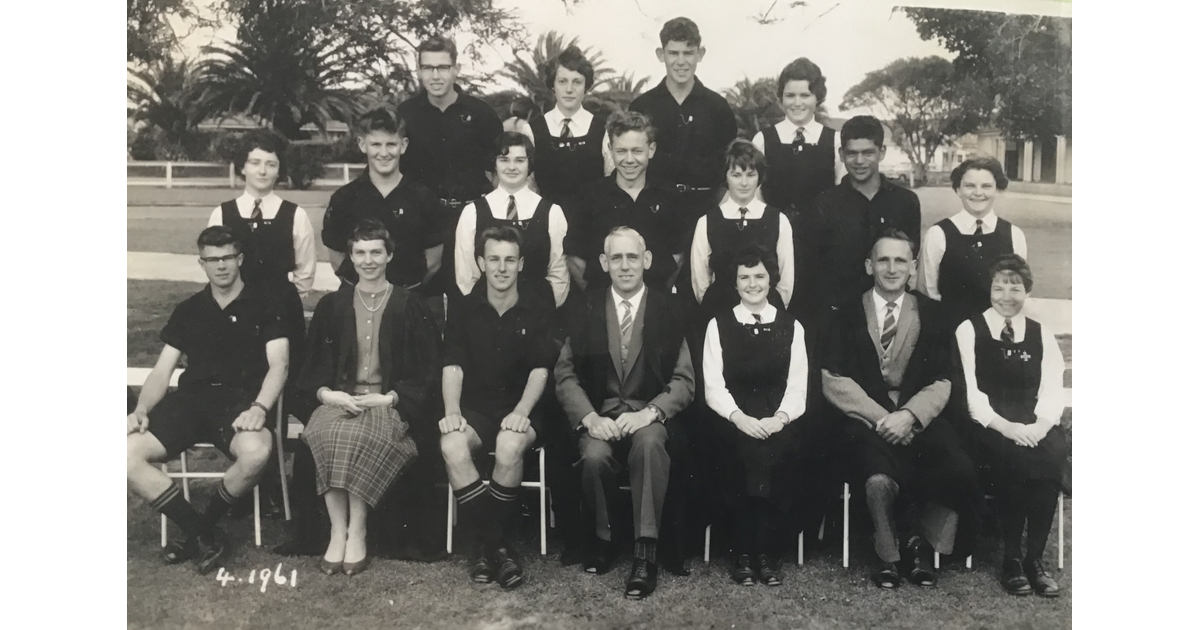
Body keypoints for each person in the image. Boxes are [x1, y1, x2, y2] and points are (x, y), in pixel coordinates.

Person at [822, 229, 981, 589]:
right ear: (869, 265)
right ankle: (889, 553)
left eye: (900, 261)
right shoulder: (844, 313)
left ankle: (921, 543)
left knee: (956, 464)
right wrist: (883, 419)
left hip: (917, 416)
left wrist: (909, 416)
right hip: (864, 419)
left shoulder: (935, 315)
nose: (891, 268)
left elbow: (943, 379)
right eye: (883, 260)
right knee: (874, 470)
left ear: (913, 267)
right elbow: (832, 377)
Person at [127, 226, 286, 574]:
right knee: (124, 454)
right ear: (202, 264)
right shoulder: (189, 309)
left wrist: (259, 408)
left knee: (257, 452)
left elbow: (279, 365)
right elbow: (162, 370)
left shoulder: (265, 304)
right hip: (191, 401)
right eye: (212, 260)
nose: (221, 266)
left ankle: (201, 527)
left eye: (228, 257)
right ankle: (204, 532)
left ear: (240, 258)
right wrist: (141, 409)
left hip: (240, 403)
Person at [554, 226, 695, 599]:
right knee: (594, 455)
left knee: (649, 445)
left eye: (633, 257)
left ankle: (645, 551)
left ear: (647, 260)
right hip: (601, 415)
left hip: (647, 418)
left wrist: (650, 413)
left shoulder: (669, 309)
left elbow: (684, 381)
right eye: (616, 257)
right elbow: (565, 374)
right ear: (603, 263)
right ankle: (604, 540)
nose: (625, 265)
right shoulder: (585, 308)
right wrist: (590, 418)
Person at [298, 220, 442, 576]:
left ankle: (357, 530)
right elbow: (312, 369)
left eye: (376, 252)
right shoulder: (333, 305)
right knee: (322, 433)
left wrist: (391, 399)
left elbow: (426, 373)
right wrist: (328, 395)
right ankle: (337, 530)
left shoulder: (410, 305)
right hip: (340, 401)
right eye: (360, 252)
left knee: (360, 436)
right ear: (350, 256)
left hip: (387, 403)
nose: (368, 260)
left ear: (389, 255)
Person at [440, 226, 559, 589]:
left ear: (521, 264)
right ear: (481, 262)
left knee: (509, 445)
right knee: (452, 445)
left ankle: (484, 546)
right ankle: (497, 545)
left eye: (510, 260)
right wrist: (452, 410)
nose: (502, 268)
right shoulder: (463, 307)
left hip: (522, 405)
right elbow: (453, 366)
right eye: (494, 259)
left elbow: (541, 369)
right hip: (476, 407)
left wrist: (522, 411)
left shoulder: (539, 306)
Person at [953, 254, 1066, 598]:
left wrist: (1040, 426)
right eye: (999, 285)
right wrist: (1009, 428)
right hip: (990, 426)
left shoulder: (1040, 333)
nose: (1006, 294)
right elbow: (972, 395)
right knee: (1014, 461)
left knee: (1049, 460)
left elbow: (1052, 388)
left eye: (1015, 286)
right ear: (988, 289)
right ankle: (1012, 561)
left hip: (1035, 425)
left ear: (1026, 290)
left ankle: (1035, 561)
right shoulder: (969, 329)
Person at [702, 248, 815, 587]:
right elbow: (713, 385)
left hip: (778, 419)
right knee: (742, 453)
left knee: (775, 452)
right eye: (744, 277)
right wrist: (740, 418)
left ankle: (765, 552)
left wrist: (779, 419)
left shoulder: (792, 326)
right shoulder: (718, 325)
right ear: (734, 284)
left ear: (771, 280)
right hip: (732, 419)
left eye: (760, 276)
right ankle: (743, 552)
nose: (753, 284)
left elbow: (798, 385)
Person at [630, 16, 738, 292]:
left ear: (700, 54)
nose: (681, 61)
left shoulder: (717, 107)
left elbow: (728, 165)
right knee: (654, 289)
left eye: (688, 53)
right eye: (673, 53)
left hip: (704, 209)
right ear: (660, 54)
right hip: (655, 210)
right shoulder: (642, 105)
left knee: (704, 290)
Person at [396, 35, 504, 300]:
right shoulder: (406, 114)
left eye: (443, 67)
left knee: (472, 302)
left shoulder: (481, 114)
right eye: (428, 67)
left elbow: (499, 171)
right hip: (421, 224)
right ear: (419, 70)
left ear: (456, 69)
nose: (435, 75)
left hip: (470, 220)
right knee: (418, 304)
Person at [321, 108, 444, 293]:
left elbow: (433, 261)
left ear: (403, 145)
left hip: (410, 299)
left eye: (391, 144)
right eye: (376, 144)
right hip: (359, 300)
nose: (384, 153)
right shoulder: (344, 198)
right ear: (362, 145)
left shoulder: (424, 198)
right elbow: (337, 258)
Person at [566, 110, 686, 293]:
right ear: (610, 149)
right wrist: (601, 299)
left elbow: (677, 254)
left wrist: (653, 298)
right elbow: (575, 257)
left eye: (637, 151)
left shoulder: (669, 195)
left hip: (656, 308)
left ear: (651, 150)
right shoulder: (589, 195)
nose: (629, 160)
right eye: (621, 151)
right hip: (602, 307)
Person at [453, 131, 569, 308]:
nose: (512, 167)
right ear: (495, 164)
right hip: (485, 315)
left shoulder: (552, 212)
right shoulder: (472, 212)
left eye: (520, 160)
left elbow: (559, 273)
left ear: (530, 164)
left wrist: (541, 312)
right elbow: (465, 275)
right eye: (504, 160)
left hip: (537, 317)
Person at [690, 139, 794, 320]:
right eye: (736, 175)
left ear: (759, 177)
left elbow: (786, 279)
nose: (744, 183)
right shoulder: (707, 221)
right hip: (719, 312)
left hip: (766, 314)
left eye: (750, 174)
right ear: (726, 177)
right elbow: (700, 281)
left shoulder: (779, 220)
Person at [919, 157, 1028, 326]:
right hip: (949, 335)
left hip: (995, 337)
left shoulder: (1014, 235)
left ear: (997, 189)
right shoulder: (938, 234)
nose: (978, 193)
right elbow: (928, 292)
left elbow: (1017, 293)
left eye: (986, 186)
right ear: (958, 190)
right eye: (970, 186)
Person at [528, 45, 608, 209]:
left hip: (591, 224)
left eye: (577, 82)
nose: (569, 90)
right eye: (562, 81)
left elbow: (610, 180)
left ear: (586, 86)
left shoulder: (602, 129)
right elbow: (529, 187)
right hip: (546, 224)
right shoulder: (533, 130)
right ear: (552, 85)